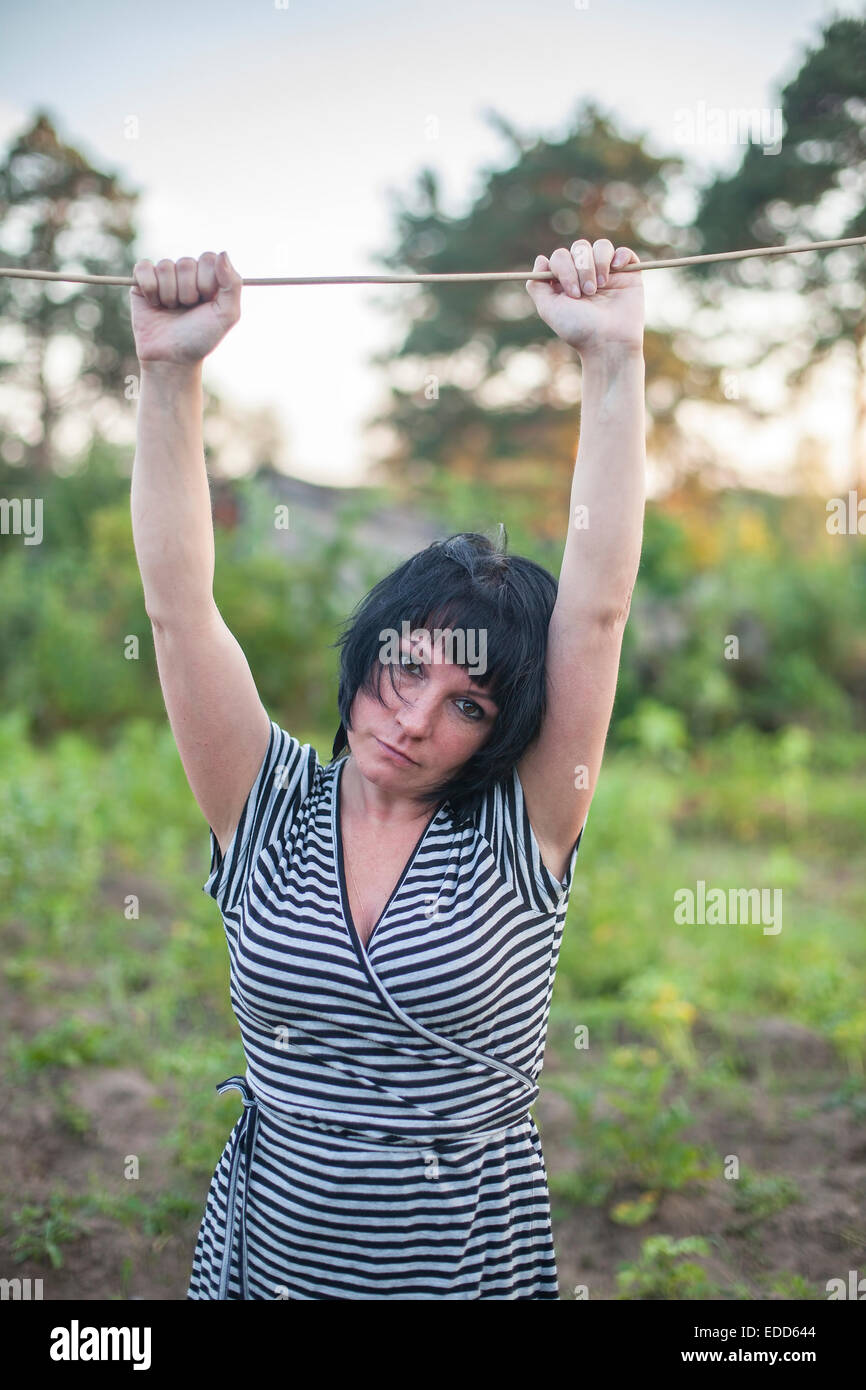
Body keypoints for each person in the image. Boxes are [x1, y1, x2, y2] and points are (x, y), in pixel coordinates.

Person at [129, 240, 646, 1299]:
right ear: (367, 648)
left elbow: (593, 613)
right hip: (271, 1266)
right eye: (404, 666)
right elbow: (179, 611)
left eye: (466, 703)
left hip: (461, 1275)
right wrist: (169, 374)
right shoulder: (265, 804)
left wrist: (611, 361)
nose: (411, 718)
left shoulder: (519, 833)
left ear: (501, 732)